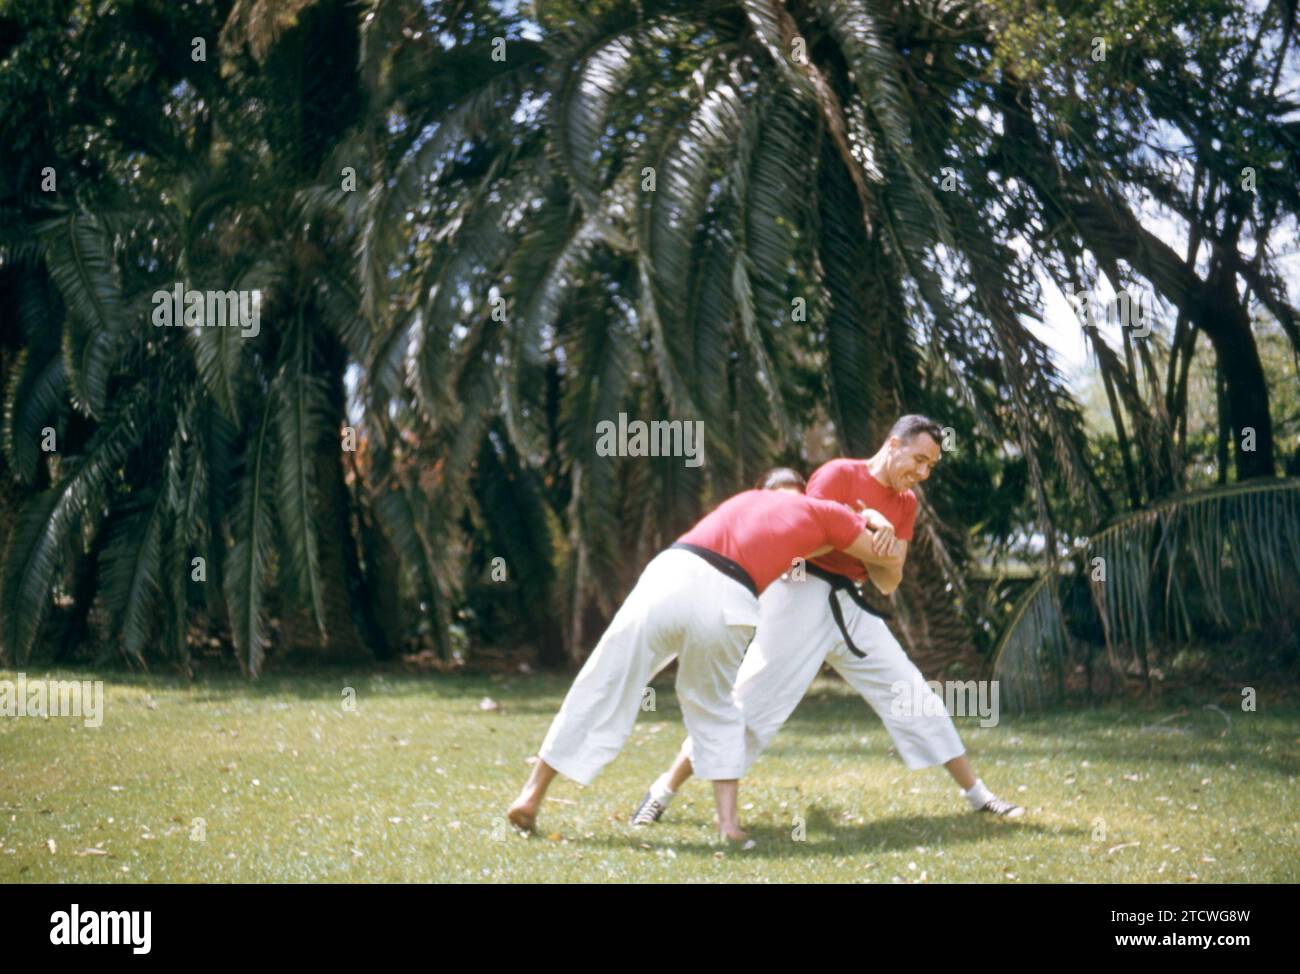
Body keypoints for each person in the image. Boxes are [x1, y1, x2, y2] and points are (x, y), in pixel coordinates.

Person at [631, 414, 1025, 827]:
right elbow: (805, 540)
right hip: (799, 595)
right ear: (894, 445)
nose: (922, 473)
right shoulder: (837, 474)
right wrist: (873, 531)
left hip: (849, 605)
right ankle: (661, 791)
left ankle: (979, 796)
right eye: (919, 459)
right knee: (746, 707)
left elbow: (890, 580)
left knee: (914, 695)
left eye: (931, 466)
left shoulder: (906, 503)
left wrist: (871, 542)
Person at [506, 483, 891, 841]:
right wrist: (874, 517)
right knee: (715, 707)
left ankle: (530, 795)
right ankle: (728, 825)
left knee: (603, 678)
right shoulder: (825, 512)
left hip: (673, 571)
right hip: (729, 595)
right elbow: (881, 554)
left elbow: (799, 548)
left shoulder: (745, 501)